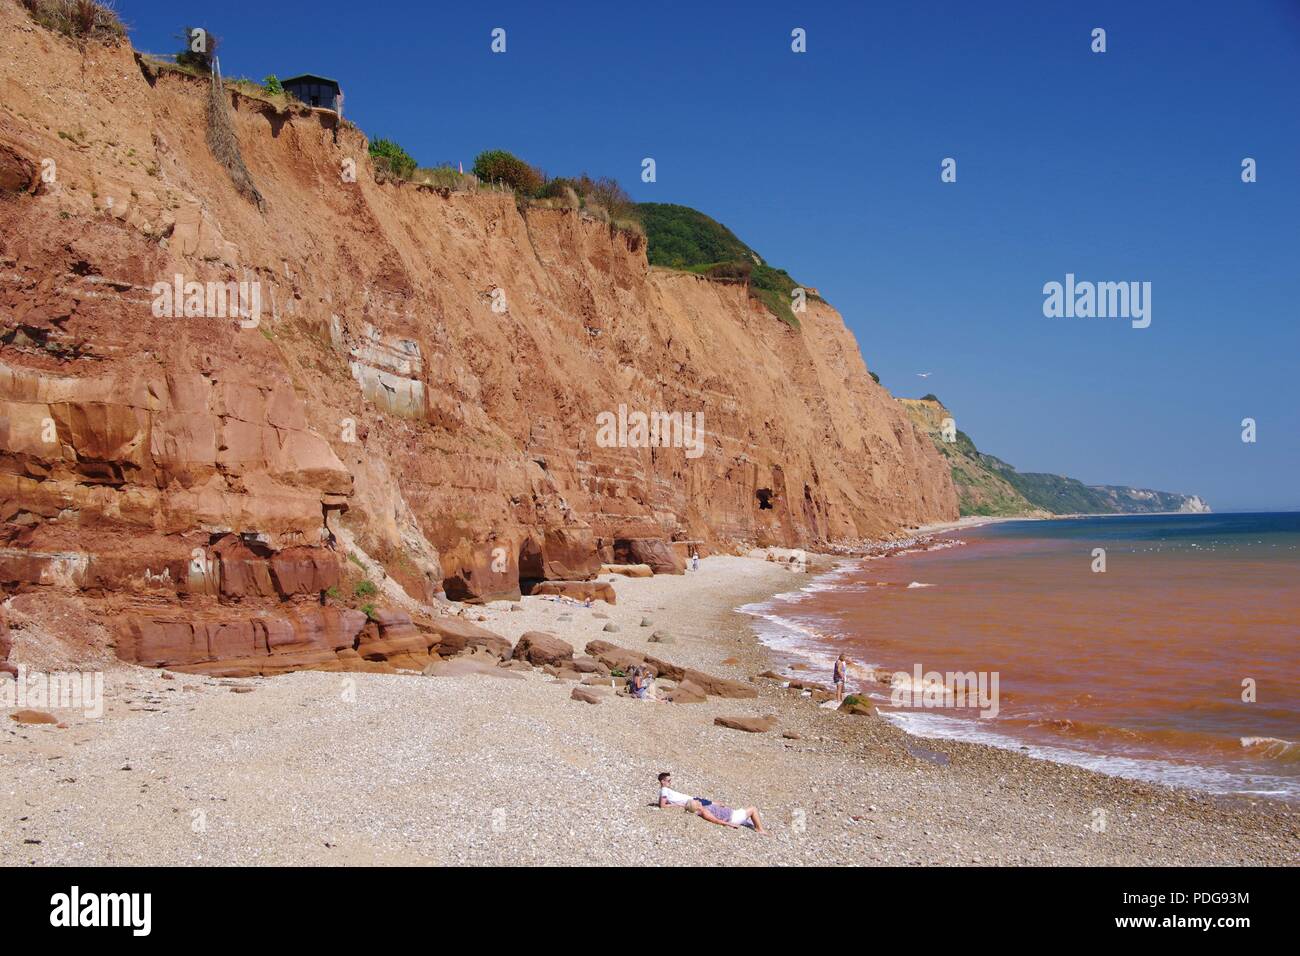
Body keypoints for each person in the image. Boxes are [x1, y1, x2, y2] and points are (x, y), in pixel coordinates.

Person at [685, 798, 767, 834]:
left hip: (733, 814)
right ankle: (759, 829)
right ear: (696, 806)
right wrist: (729, 824)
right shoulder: (704, 811)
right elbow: (716, 820)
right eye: (695, 801)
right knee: (753, 809)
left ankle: (756, 826)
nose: (697, 800)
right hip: (733, 818)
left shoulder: (704, 808)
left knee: (750, 820)